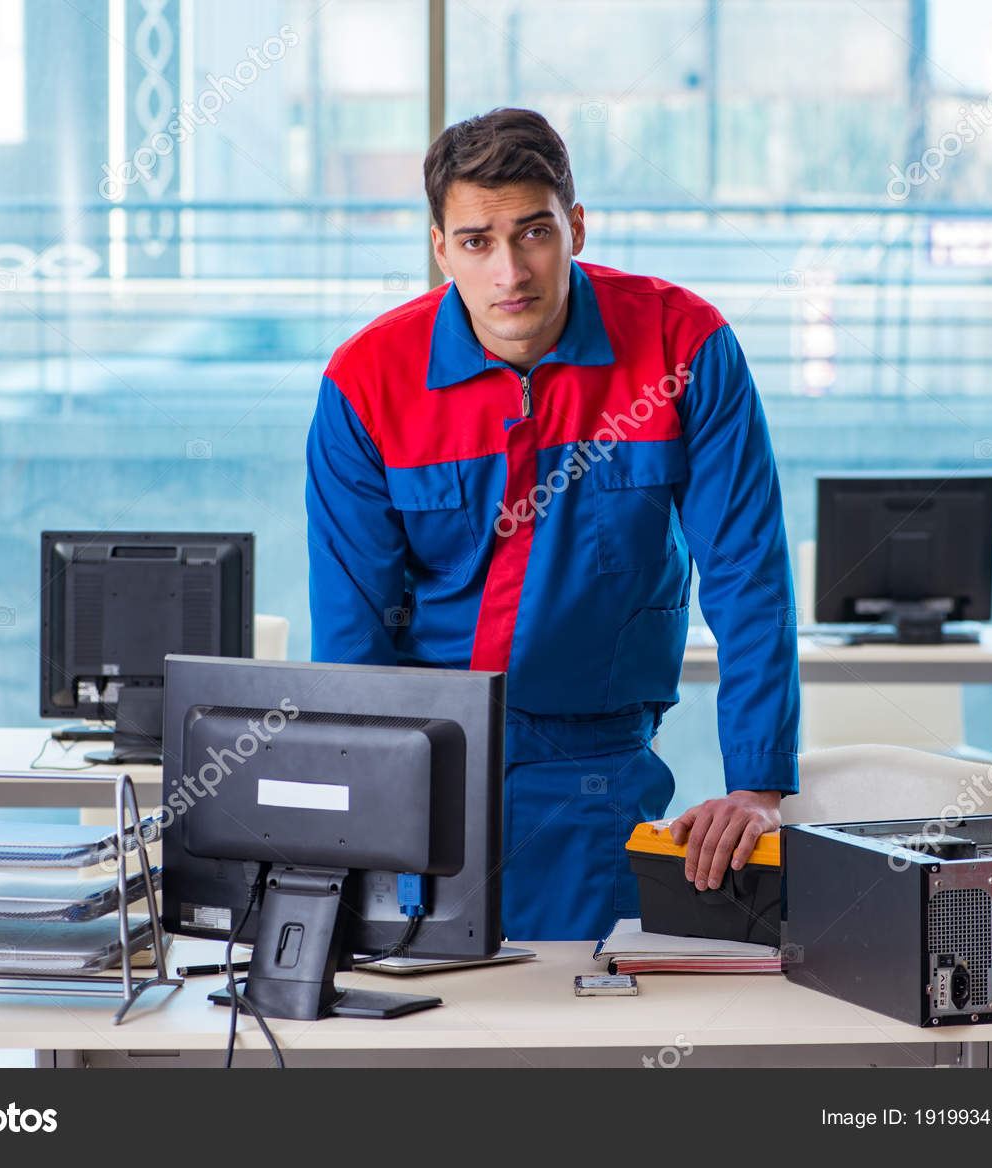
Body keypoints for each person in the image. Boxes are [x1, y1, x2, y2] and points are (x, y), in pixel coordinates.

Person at [305, 107, 799, 941]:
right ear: (440, 248)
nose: (509, 272)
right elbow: (355, 635)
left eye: (533, 233)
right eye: (476, 242)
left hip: (596, 769)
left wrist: (756, 785)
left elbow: (749, 578)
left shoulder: (686, 346)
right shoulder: (368, 383)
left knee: (584, 1028)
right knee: (412, 1035)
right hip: (427, 769)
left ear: (574, 225)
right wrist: (363, 812)